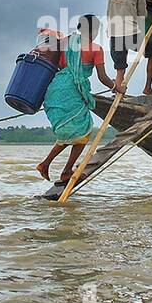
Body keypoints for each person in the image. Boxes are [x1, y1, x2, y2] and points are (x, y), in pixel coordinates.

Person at [36, 25, 98, 185]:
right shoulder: (96, 49)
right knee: (85, 131)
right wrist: (116, 86)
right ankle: (66, 171)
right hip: (70, 91)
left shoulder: (65, 42)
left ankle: (45, 164)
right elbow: (103, 77)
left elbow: (52, 61)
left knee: (67, 132)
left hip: (54, 90)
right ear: (95, 31)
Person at [106, 0, 150, 94]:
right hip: (130, 31)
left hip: (114, 33)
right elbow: (142, 14)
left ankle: (119, 94)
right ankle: (148, 87)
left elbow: (108, 13)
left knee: (120, 68)